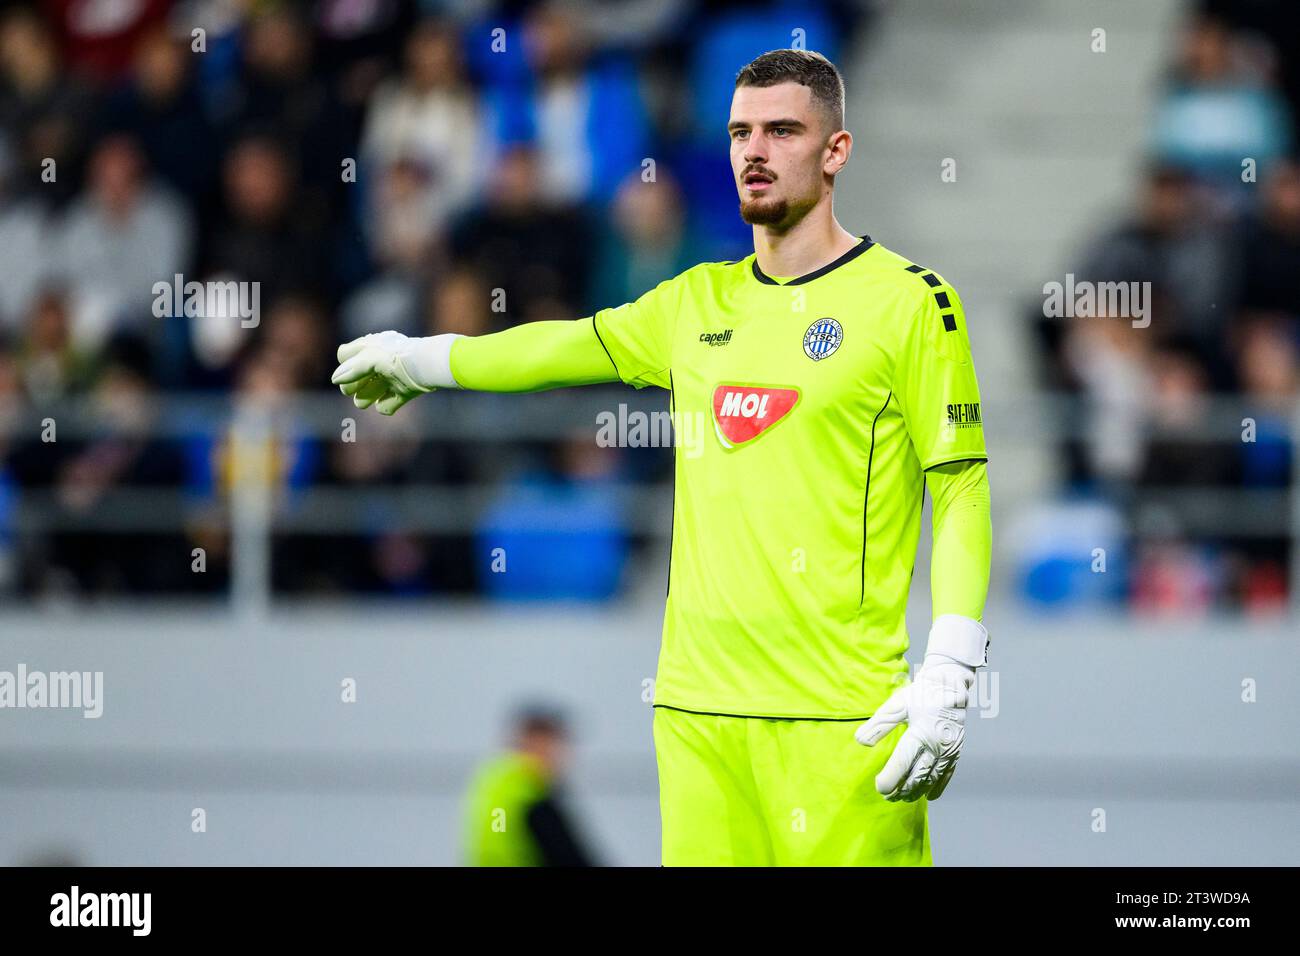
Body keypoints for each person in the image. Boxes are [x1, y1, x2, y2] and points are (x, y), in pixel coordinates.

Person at [334, 50, 993, 866]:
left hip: (843, 718)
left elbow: (959, 489)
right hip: (696, 715)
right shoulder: (694, 302)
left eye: (783, 130)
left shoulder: (910, 303)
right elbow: (561, 348)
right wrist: (422, 359)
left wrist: (952, 665)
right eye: (740, 132)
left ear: (836, 151)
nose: (755, 150)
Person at [462, 705, 597, 867]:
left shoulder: (495, 784)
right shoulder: (530, 797)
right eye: (554, 747)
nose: (562, 758)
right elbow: (569, 857)